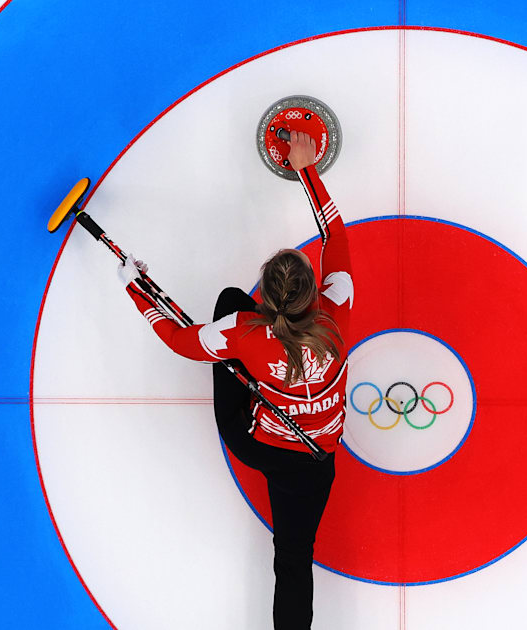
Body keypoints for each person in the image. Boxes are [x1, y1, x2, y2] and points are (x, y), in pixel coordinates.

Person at [117, 131, 352, 630]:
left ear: (266, 298)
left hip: (259, 444)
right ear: (315, 291)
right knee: (293, 563)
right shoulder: (337, 313)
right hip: (314, 463)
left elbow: (181, 342)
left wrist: (137, 289)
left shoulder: (245, 332)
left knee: (226, 301)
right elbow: (337, 239)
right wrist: (306, 168)